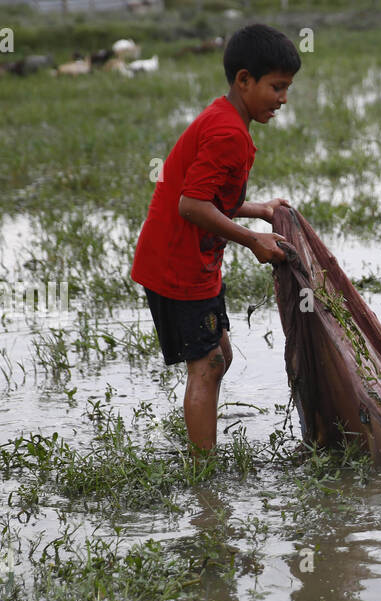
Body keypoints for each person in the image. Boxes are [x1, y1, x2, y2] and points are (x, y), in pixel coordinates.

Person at [131, 23, 298, 453]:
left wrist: (257, 209)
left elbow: (211, 196)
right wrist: (253, 239)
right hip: (178, 266)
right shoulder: (227, 133)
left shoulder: (225, 118)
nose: (283, 99)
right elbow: (191, 204)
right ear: (244, 80)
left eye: (287, 88)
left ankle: (200, 441)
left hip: (189, 262)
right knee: (207, 364)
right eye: (276, 87)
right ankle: (204, 473)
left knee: (217, 353)